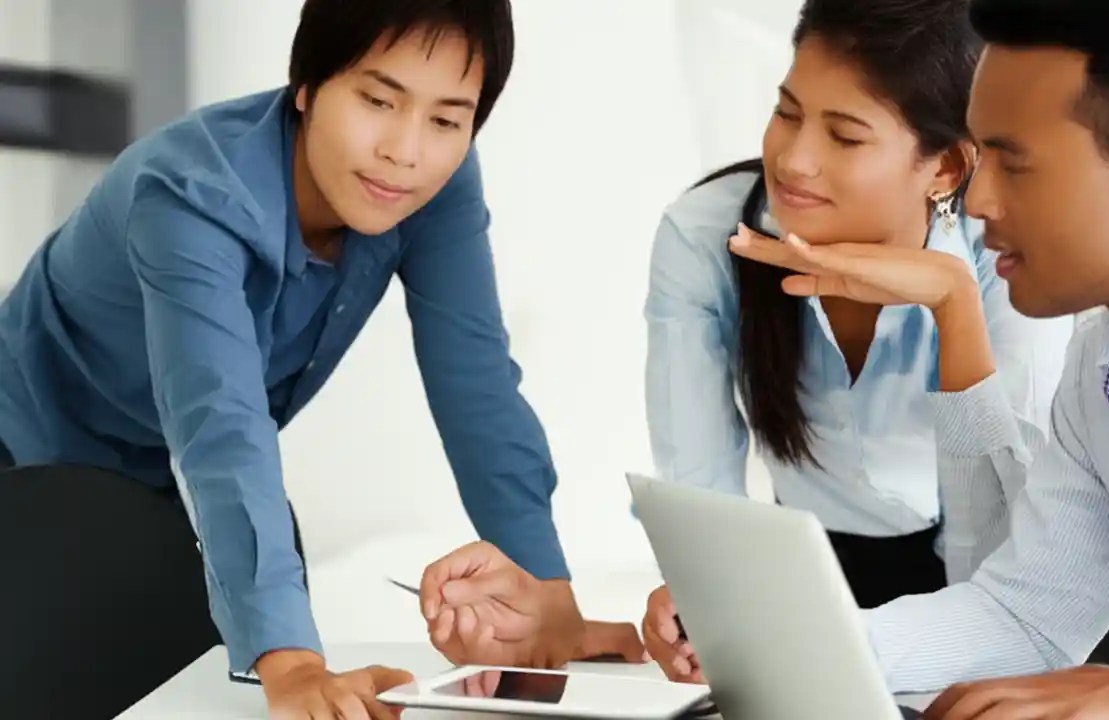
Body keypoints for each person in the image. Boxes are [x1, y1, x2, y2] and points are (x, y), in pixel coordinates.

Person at [0, 2, 640, 718]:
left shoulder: (431, 182)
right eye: (377, 100)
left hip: (177, 499)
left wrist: (548, 599)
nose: (406, 149)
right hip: (30, 466)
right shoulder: (188, 195)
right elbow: (222, 425)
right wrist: (294, 663)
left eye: (446, 118)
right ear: (306, 86)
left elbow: (477, 382)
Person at [648, 0, 1109, 717]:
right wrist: (766, 645)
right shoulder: (1103, 373)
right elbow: (1023, 616)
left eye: (1015, 164)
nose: (975, 202)